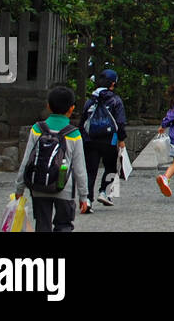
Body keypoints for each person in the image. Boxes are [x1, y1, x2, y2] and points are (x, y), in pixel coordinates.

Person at [15, 86, 89, 232]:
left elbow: (26, 161)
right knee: (64, 225)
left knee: (42, 225)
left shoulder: (37, 129)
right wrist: (83, 196)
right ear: (71, 108)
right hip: (63, 188)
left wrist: (19, 188)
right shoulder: (74, 134)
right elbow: (80, 169)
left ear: (48, 106)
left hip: (39, 186)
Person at [79, 69, 127, 210]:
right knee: (111, 167)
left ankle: (87, 199)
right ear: (113, 83)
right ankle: (104, 191)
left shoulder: (91, 100)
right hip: (109, 140)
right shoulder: (115, 100)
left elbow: (83, 121)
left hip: (90, 139)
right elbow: (120, 122)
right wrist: (121, 138)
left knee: (90, 170)